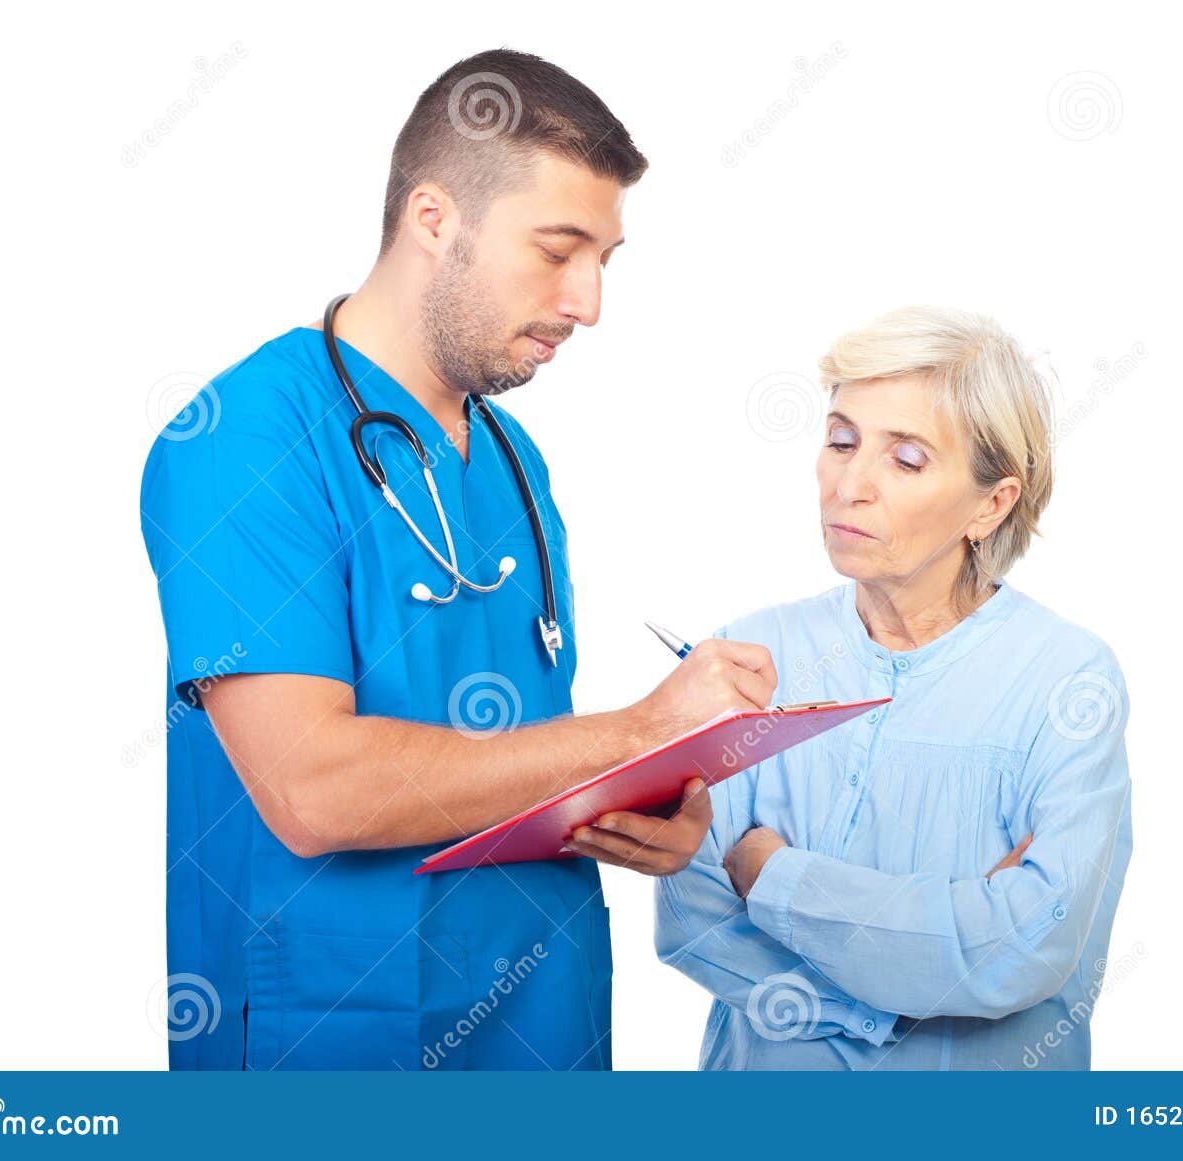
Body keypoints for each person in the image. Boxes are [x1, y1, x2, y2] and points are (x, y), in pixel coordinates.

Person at [138, 49, 776, 1070]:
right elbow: (314, 793)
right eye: (558, 249)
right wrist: (639, 730)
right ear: (434, 219)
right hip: (341, 1030)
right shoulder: (242, 439)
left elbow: (508, 749)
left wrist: (645, 798)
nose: (589, 302)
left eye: (606, 260)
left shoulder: (513, 459)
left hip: (544, 1015)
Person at [655, 306, 1133, 1070]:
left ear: (992, 503)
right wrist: (913, 972)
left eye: (906, 459)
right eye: (841, 441)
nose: (850, 484)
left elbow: (1027, 944)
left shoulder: (1065, 678)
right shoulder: (753, 652)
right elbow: (693, 918)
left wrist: (771, 874)